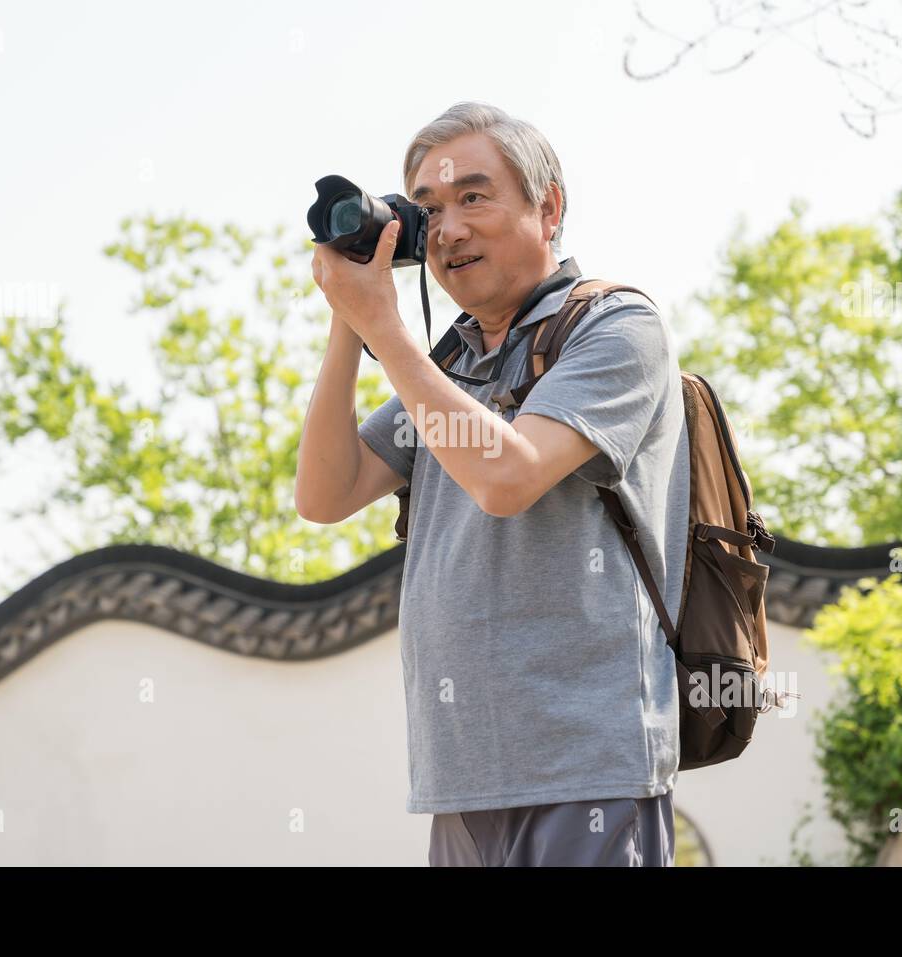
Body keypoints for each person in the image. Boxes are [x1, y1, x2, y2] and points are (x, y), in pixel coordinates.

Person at [295, 101, 689, 866]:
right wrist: (350, 318)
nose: (448, 230)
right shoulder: (445, 368)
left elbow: (508, 476)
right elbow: (324, 493)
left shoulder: (614, 326)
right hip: (463, 775)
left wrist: (387, 331)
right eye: (428, 209)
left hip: (588, 765)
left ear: (549, 208)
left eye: (474, 197)